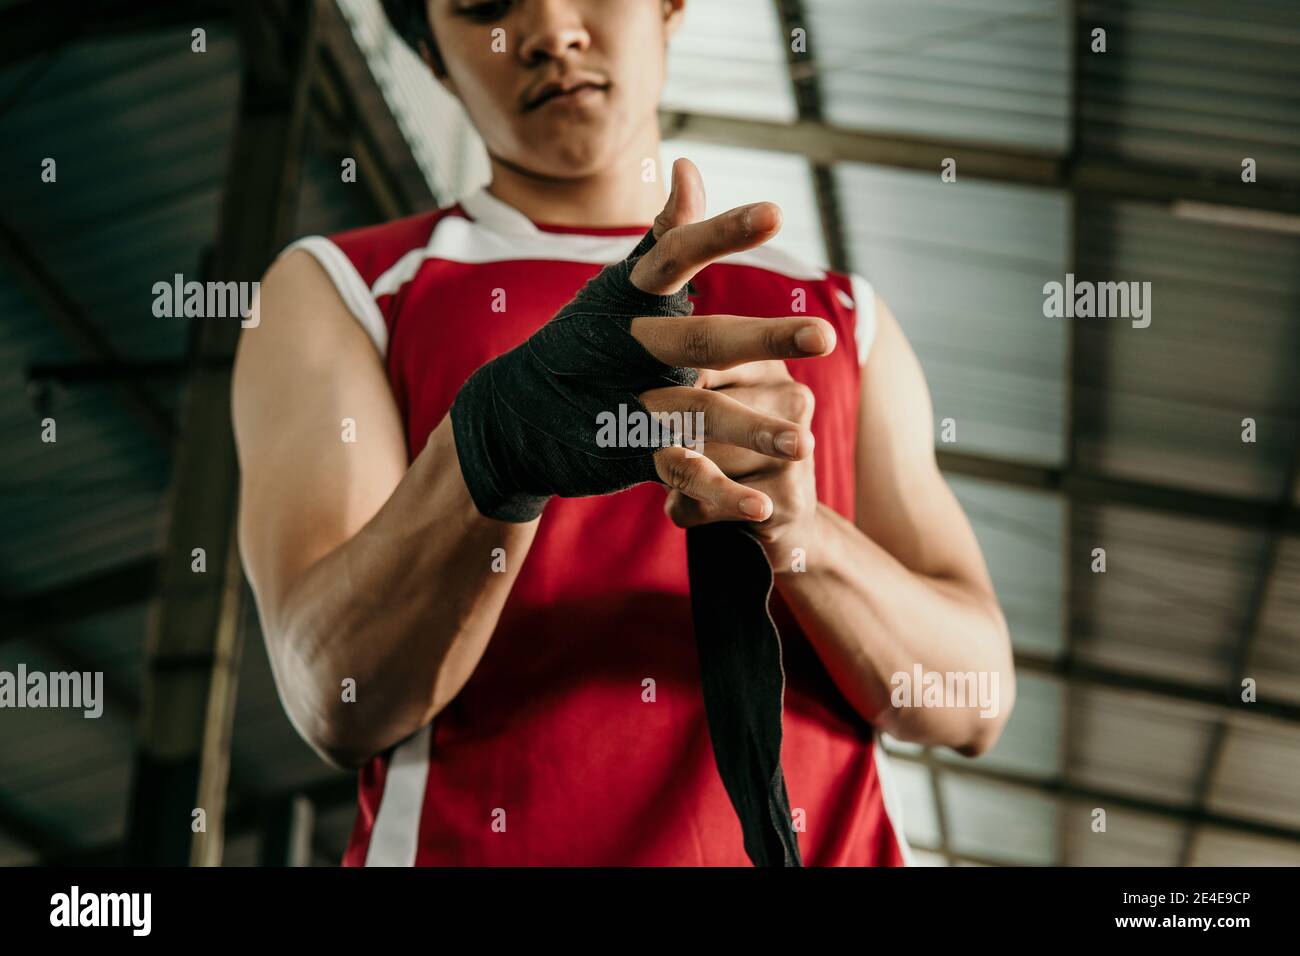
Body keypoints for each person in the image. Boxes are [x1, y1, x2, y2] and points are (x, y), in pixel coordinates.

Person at [231, 0, 1015, 866]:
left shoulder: (838, 315)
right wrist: (490, 452)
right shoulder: (343, 288)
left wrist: (804, 537)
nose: (551, 31)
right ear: (431, 55)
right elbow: (330, 696)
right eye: (485, 7)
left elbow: (976, 703)